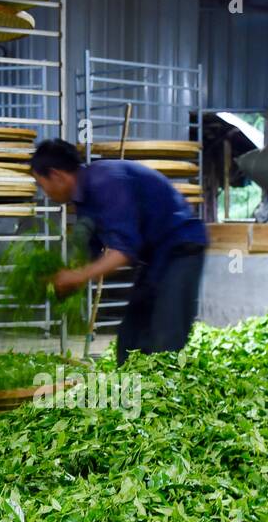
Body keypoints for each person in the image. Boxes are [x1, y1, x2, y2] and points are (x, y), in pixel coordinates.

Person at [28, 138, 208, 364]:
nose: (45, 193)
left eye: (42, 185)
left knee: (165, 338)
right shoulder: (84, 198)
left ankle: (165, 393)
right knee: (130, 340)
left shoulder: (106, 181)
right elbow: (92, 250)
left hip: (182, 248)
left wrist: (76, 277)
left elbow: (123, 252)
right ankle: (133, 392)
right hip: (155, 258)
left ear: (56, 175)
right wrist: (67, 277)